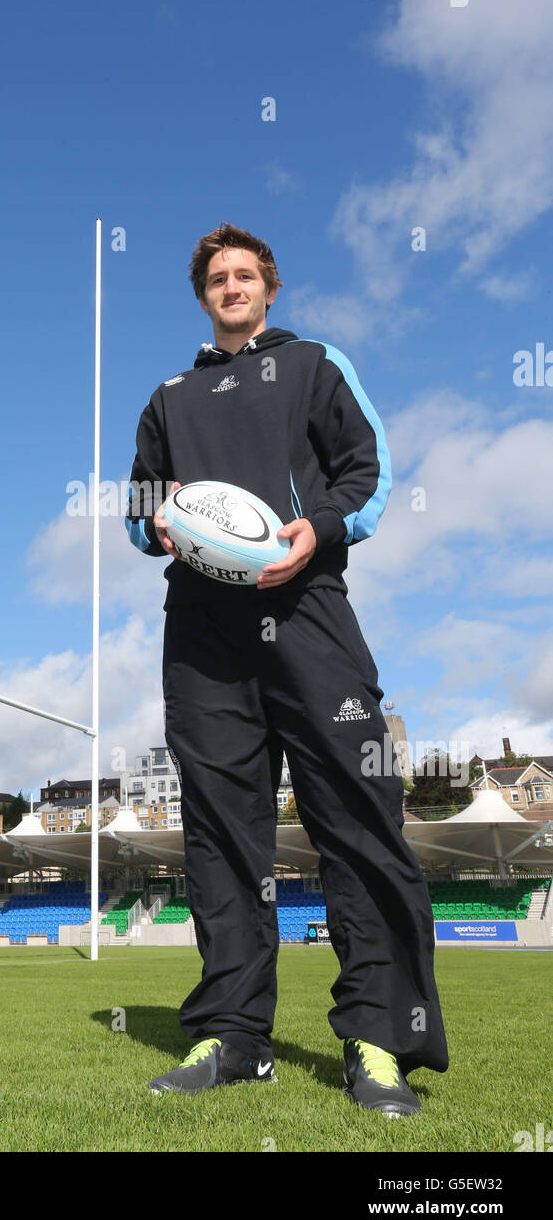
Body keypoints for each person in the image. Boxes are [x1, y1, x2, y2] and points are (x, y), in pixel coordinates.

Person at [124, 222, 448, 1117]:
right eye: (217, 279)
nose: (231, 287)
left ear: (269, 288)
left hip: (308, 614)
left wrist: (322, 529)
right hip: (200, 634)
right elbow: (137, 504)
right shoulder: (168, 395)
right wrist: (156, 522)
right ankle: (233, 1038)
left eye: (245, 275)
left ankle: (380, 1041)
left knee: (357, 815)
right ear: (203, 297)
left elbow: (367, 474)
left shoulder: (314, 364)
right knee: (222, 834)